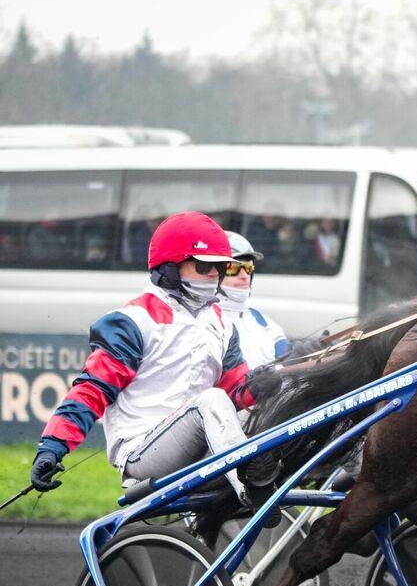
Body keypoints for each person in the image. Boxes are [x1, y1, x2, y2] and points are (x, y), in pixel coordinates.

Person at [28, 211, 280, 513]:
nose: (215, 274)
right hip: (141, 453)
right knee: (212, 400)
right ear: (170, 268)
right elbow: (91, 391)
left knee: (266, 417)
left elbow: (237, 392)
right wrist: (52, 447)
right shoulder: (133, 321)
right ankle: (251, 490)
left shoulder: (223, 325)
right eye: (204, 265)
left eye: (221, 266)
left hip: (200, 445)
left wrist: (272, 382)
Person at [220, 230, 289, 368]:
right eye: (232, 268)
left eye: (248, 267)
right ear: (212, 272)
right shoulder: (205, 322)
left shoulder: (264, 323)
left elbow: (287, 361)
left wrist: (303, 355)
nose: (244, 275)